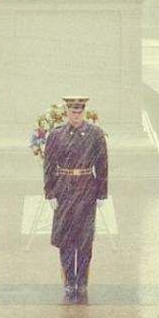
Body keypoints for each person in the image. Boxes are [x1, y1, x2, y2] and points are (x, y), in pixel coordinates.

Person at [44, 96, 108, 292]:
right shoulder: (56, 135)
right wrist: (50, 193)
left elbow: (102, 165)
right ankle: (69, 280)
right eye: (73, 112)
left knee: (84, 238)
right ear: (67, 112)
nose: (76, 115)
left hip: (86, 188)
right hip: (64, 188)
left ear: (84, 112)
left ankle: (82, 281)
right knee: (66, 237)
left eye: (80, 112)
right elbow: (49, 166)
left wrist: (101, 193)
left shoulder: (95, 134)